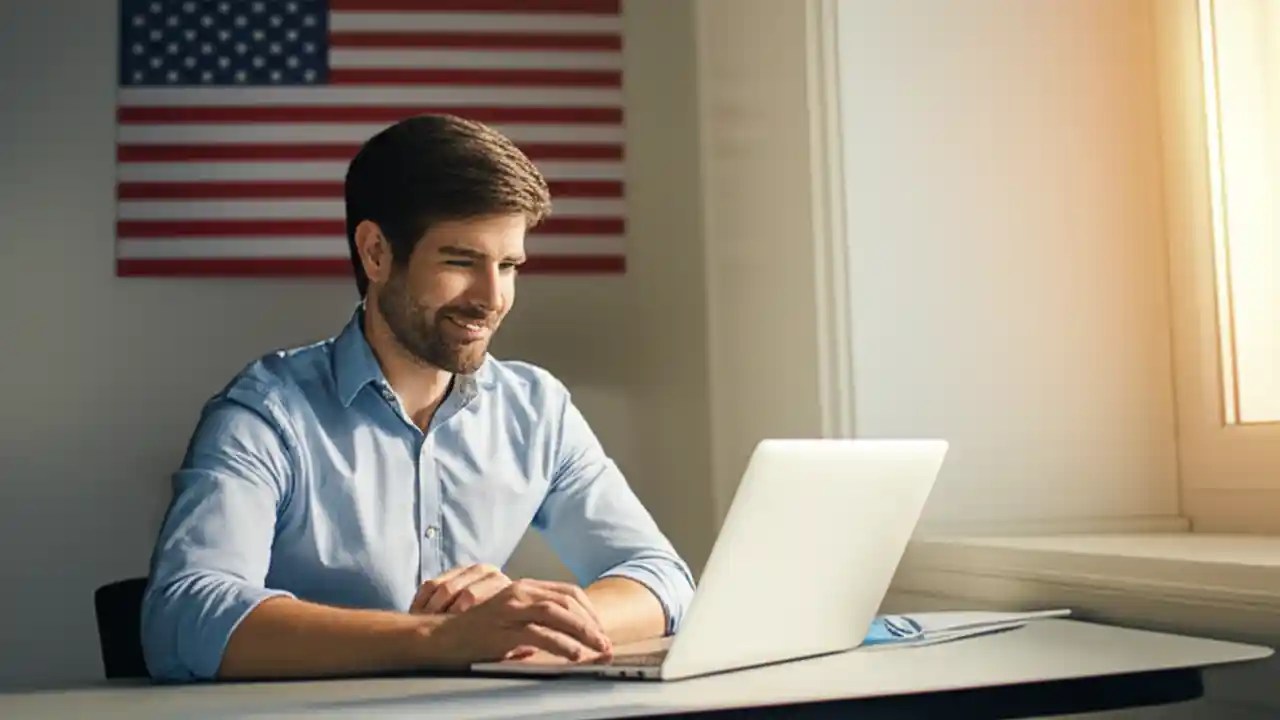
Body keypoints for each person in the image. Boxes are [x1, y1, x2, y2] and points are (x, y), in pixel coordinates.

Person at [140, 114, 695, 682]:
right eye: (460, 262)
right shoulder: (265, 415)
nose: (493, 298)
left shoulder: (537, 410)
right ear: (376, 253)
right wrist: (442, 639)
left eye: (508, 266)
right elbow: (183, 617)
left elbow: (664, 579)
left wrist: (535, 621)